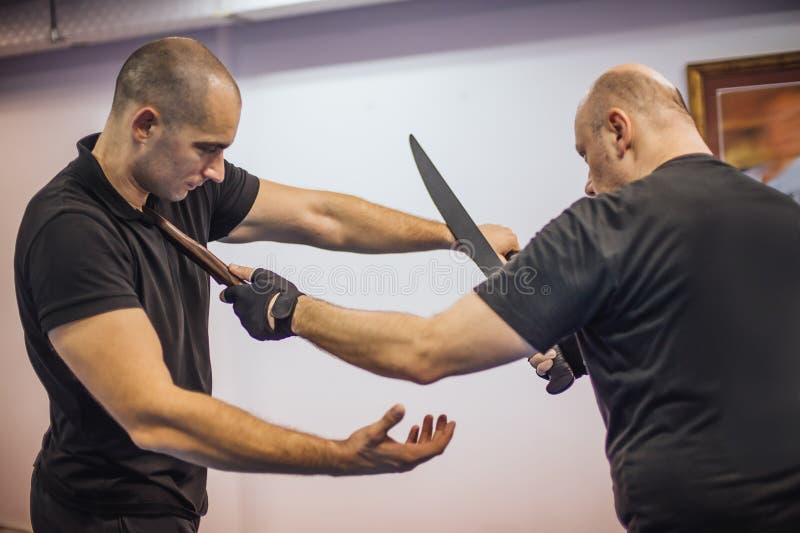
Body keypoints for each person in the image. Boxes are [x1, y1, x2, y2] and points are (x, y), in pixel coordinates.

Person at [223, 63, 800, 532]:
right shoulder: (785, 216)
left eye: (584, 153)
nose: (587, 182)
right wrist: (583, 345)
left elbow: (424, 351)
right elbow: (707, 337)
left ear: (620, 129)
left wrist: (293, 309)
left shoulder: (605, 224)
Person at [14, 36, 521, 532]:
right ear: (145, 124)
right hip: (103, 513)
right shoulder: (70, 230)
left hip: (169, 500)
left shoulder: (175, 187)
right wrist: (339, 456)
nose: (216, 172)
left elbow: (322, 217)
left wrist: (459, 237)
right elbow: (154, 414)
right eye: (206, 149)